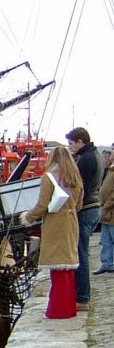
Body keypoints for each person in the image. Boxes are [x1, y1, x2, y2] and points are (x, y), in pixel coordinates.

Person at [21, 145, 84, 319]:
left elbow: (42, 206)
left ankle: (58, 309)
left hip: (56, 223)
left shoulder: (48, 178)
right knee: (68, 268)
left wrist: (28, 217)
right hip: (71, 221)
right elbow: (79, 205)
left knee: (57, 269)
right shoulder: (76, 178)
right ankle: (69, 307)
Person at [67, 127, 102, 308]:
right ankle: (82, 294)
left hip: (86, 208)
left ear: (80, 141)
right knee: (82, 252)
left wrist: (71, 207)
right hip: (94, 207)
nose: (70, 147)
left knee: (80, 254)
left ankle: (82, 297)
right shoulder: (95, 155)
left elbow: (80, 188)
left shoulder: (86, 159)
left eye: (71, 143)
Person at [97, 148, 114, 274]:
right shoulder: (110, 171)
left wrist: (106, 205)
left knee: (112, 238)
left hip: (110, 211)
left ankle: (110, 263)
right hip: (106, 211)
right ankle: (106, 263)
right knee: (105, 239)